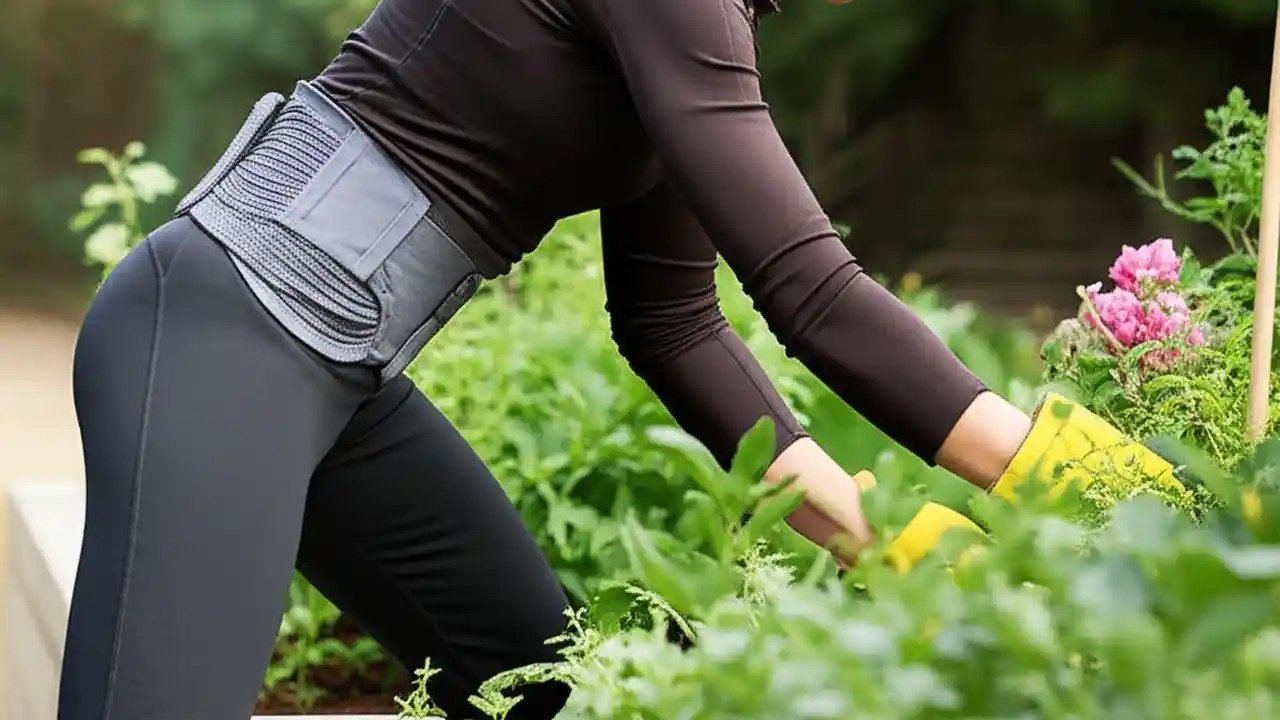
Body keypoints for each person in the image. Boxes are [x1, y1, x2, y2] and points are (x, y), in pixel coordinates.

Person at [57, 0, 1186, 718]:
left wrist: (865, 530)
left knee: (542, 687)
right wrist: (1081, 484)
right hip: (216, 329)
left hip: (340, 381)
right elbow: (810, 290)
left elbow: (672, 324)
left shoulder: (705, 30)